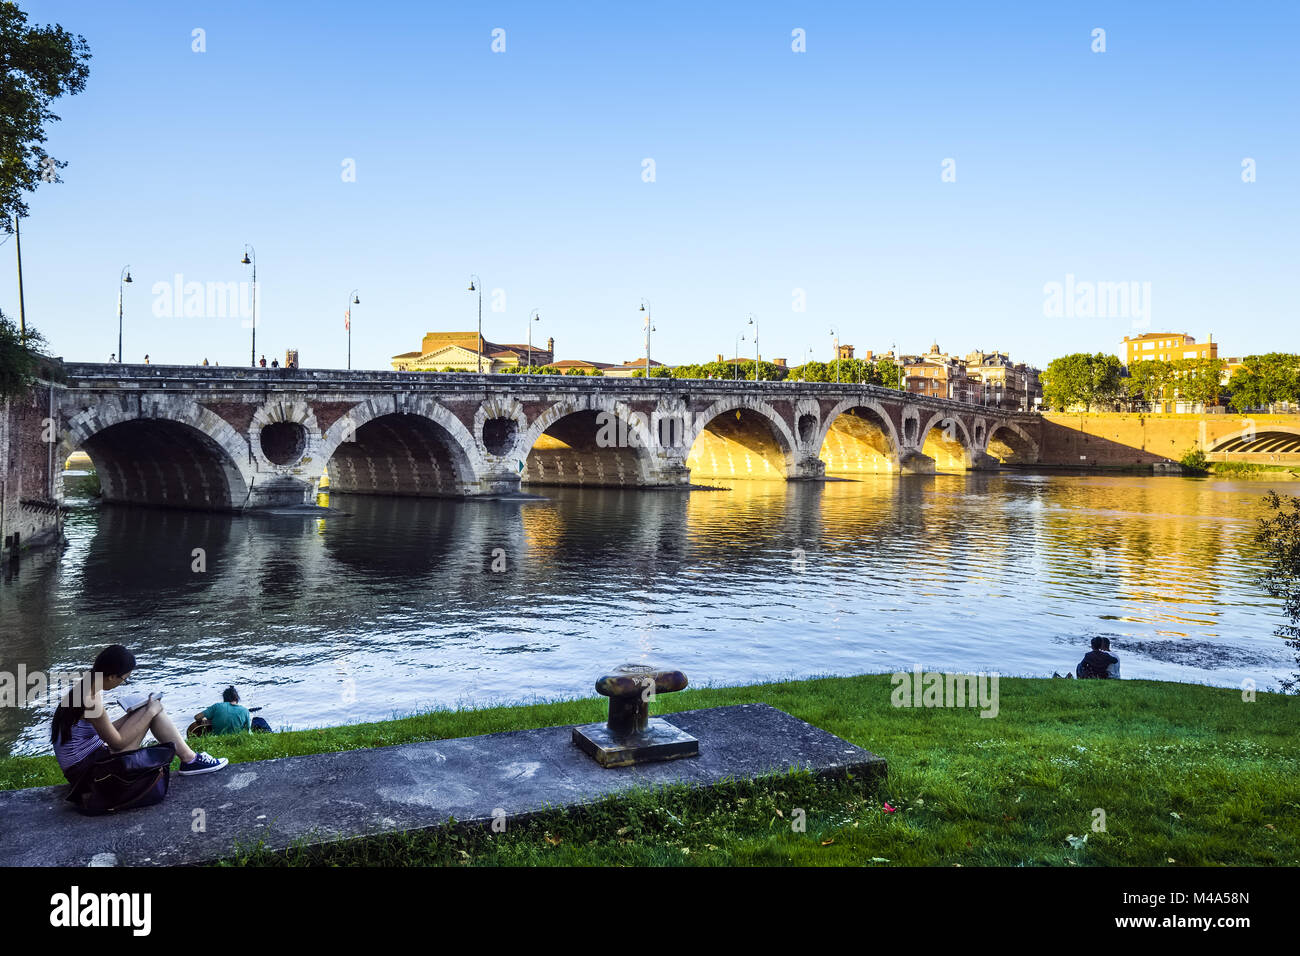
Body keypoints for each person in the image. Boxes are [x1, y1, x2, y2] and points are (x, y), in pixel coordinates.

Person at [51, 644, 228, 783]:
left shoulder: (86, 686)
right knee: (154, 711)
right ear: (112, 676)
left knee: (149, 709)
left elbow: (103, 731)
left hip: (86, 764)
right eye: (124, 679)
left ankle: (190, 759)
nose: (122, 683)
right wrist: (148, 713)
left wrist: (138, 713)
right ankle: (190, 760)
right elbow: (118, 743)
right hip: (89, 775)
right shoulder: (91, 700)